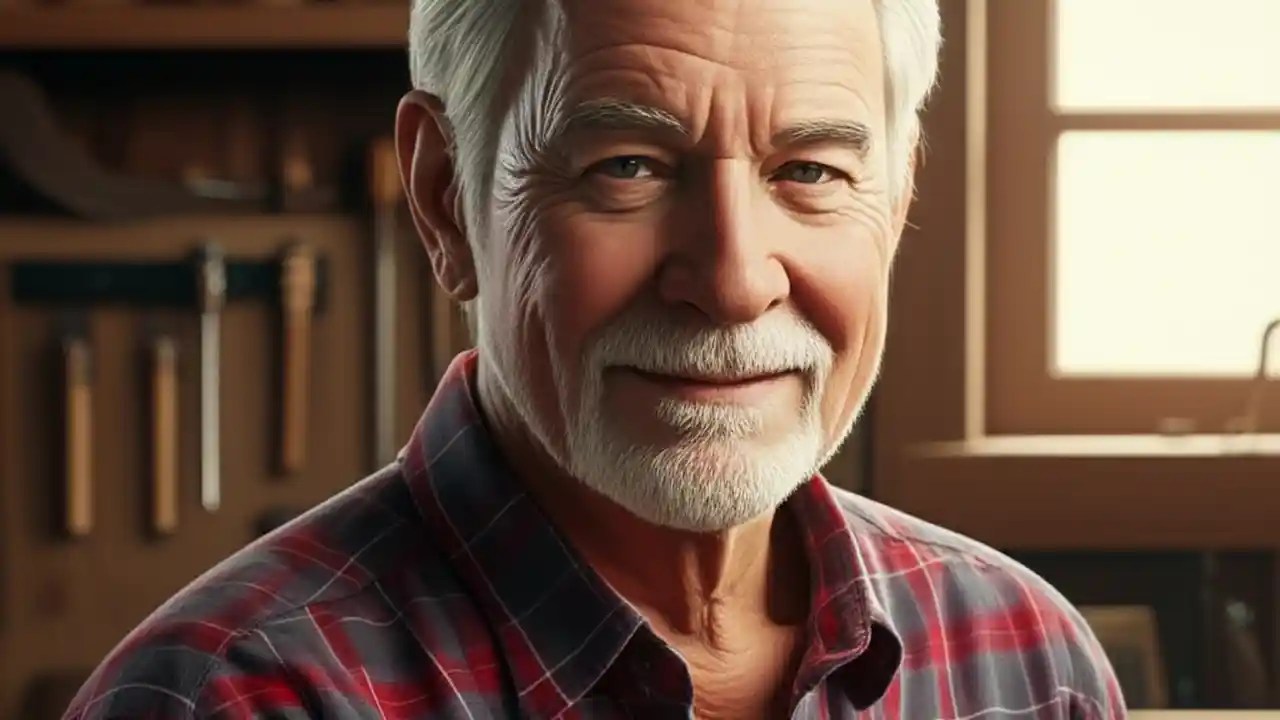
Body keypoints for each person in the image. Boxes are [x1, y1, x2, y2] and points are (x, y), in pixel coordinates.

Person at [64, 0, 1126, 717]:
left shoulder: (1023, 663)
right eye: (625, 166)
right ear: (442, 198)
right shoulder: (234, 699)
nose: (731, 278)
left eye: (808, 170)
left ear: (895, 202)